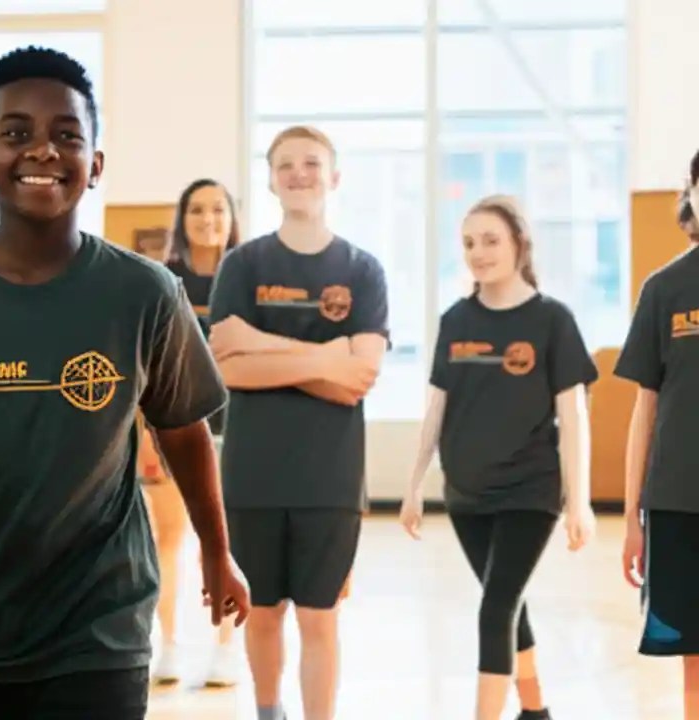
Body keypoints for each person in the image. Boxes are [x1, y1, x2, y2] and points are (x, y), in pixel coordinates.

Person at [0, 46, 250, 719]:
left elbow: (184, 430)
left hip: (103, 623)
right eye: (15, 134)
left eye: (67, 135)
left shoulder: (144, 291)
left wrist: (217, 549)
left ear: (95, 165)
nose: (42, 150)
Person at [208, 125, 389, 720]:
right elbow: (226, 372)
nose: (299, 173)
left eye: (312, 163)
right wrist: (327, 356)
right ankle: (267, 711)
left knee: (319, 615)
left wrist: (258, 346)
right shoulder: (243, 263)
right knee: (263, 612)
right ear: (270, 179)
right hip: (253, 474)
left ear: (333, 177)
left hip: (330, 477)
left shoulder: (363, 271)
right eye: (286, 163)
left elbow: (360, 378)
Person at [400, 195, 597, 720]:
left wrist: (580, 502)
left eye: (491, 240)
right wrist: (415, 482)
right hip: (465, 494)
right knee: (509, 601)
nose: (478, 252)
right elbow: (436, 407)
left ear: (519, 245)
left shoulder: (553, 320)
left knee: (495, 607)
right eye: (468, 243)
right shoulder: (455, 320)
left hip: (529, 492)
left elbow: (574, 416)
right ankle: (536, 711)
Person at [140, 178, 240, 687]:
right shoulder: (164, 278)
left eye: (217, 209)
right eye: (197, 210)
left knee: (226, 539)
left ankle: (226, 646)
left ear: (232, 217)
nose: (208, 219)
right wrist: (142, 439)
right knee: (171, 537)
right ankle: (171, 644)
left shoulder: (244, 276)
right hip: (173, 431)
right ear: (183, 219)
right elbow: (145, 370)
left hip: (237, 429)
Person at [616, 149, 699, 720]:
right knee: (694, 657)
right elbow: (644, 410)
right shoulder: (664, 289)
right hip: (677, 504)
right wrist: (630, 520)